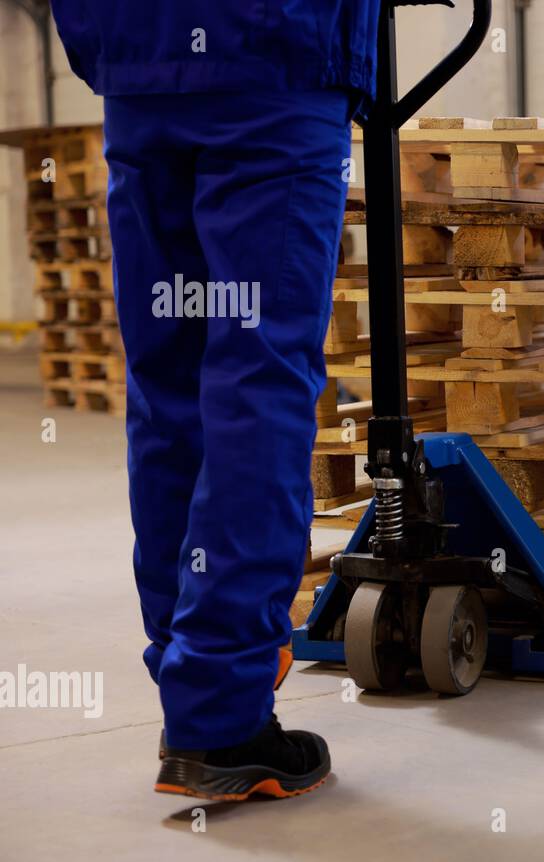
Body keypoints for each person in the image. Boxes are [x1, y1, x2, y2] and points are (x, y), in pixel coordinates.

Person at [50, 0, 381, 800]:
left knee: (171, 384)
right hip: (273, 54)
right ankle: (221, 712)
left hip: (136, 61)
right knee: (257, 377)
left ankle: (192, 678)